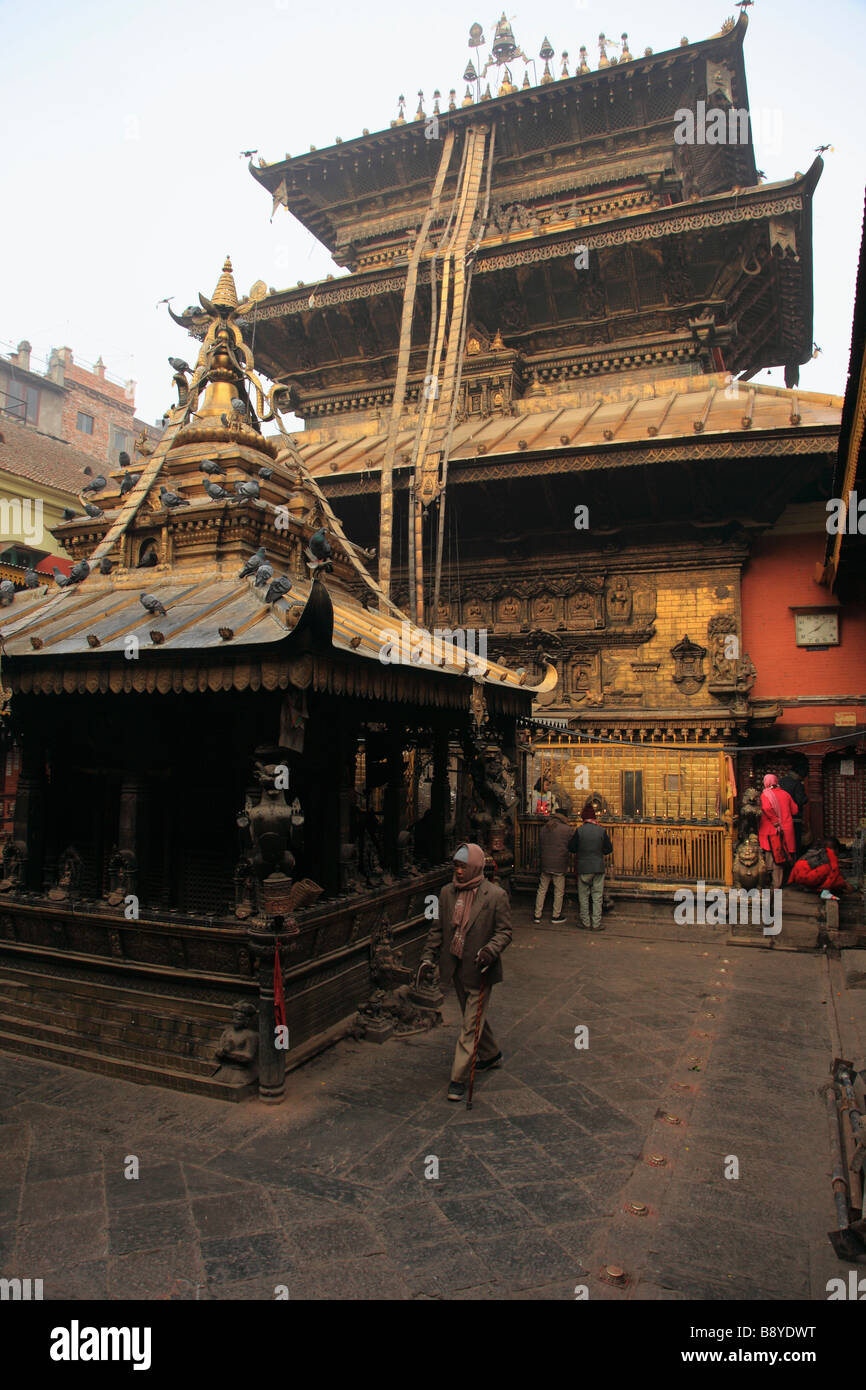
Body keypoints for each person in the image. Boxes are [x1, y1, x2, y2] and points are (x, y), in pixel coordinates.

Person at [420, 842, 511, 1101]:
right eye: (456, 866)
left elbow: (505, 932)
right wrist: (428, 957)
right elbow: (438, 929)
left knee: (470, 1025)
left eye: (464, 866)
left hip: (481, 969)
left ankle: (457, 1078)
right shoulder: (448, 893)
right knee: (474, 1016)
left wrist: (490, 950)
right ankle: (491, 1054)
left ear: (475, 866)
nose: (459, 872)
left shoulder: (495, 896)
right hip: (456, 967)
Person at [568, 802, 613, 932]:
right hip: (598, 867)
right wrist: (599, 853)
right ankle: (596, 923)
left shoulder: (580, 831)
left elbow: (571, 847)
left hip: (583, 867)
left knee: (583, 896)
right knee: (597, 896)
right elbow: (609, 849)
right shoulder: (601, 830)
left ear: (583, 818)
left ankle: (585, 922)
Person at [758, 773, 797, 889]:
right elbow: (795, 810)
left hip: (771, 831)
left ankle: (775, 884)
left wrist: (775, 820)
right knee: (785, 855)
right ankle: (785, 881)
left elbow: (766, 808)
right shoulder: (786, 794)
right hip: (786, 830)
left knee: (774, 857)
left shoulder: (765, 795)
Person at [534, 807, 573, 924]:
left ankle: (537, 914)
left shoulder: (544, 828)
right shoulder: (567, 829)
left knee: (542, 889)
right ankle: (556, 916)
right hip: (559, 864)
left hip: (545, 863)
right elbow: (572, 846)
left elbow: (540, 846)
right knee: (559, 891)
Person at [778, 768, 807, 855]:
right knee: (795, 841)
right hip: (794, 818)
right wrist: (806, 798)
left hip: (780, 817)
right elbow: (800, 800)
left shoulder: (781, 781)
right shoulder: (797, 784)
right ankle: (794, 861)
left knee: (782, 841)